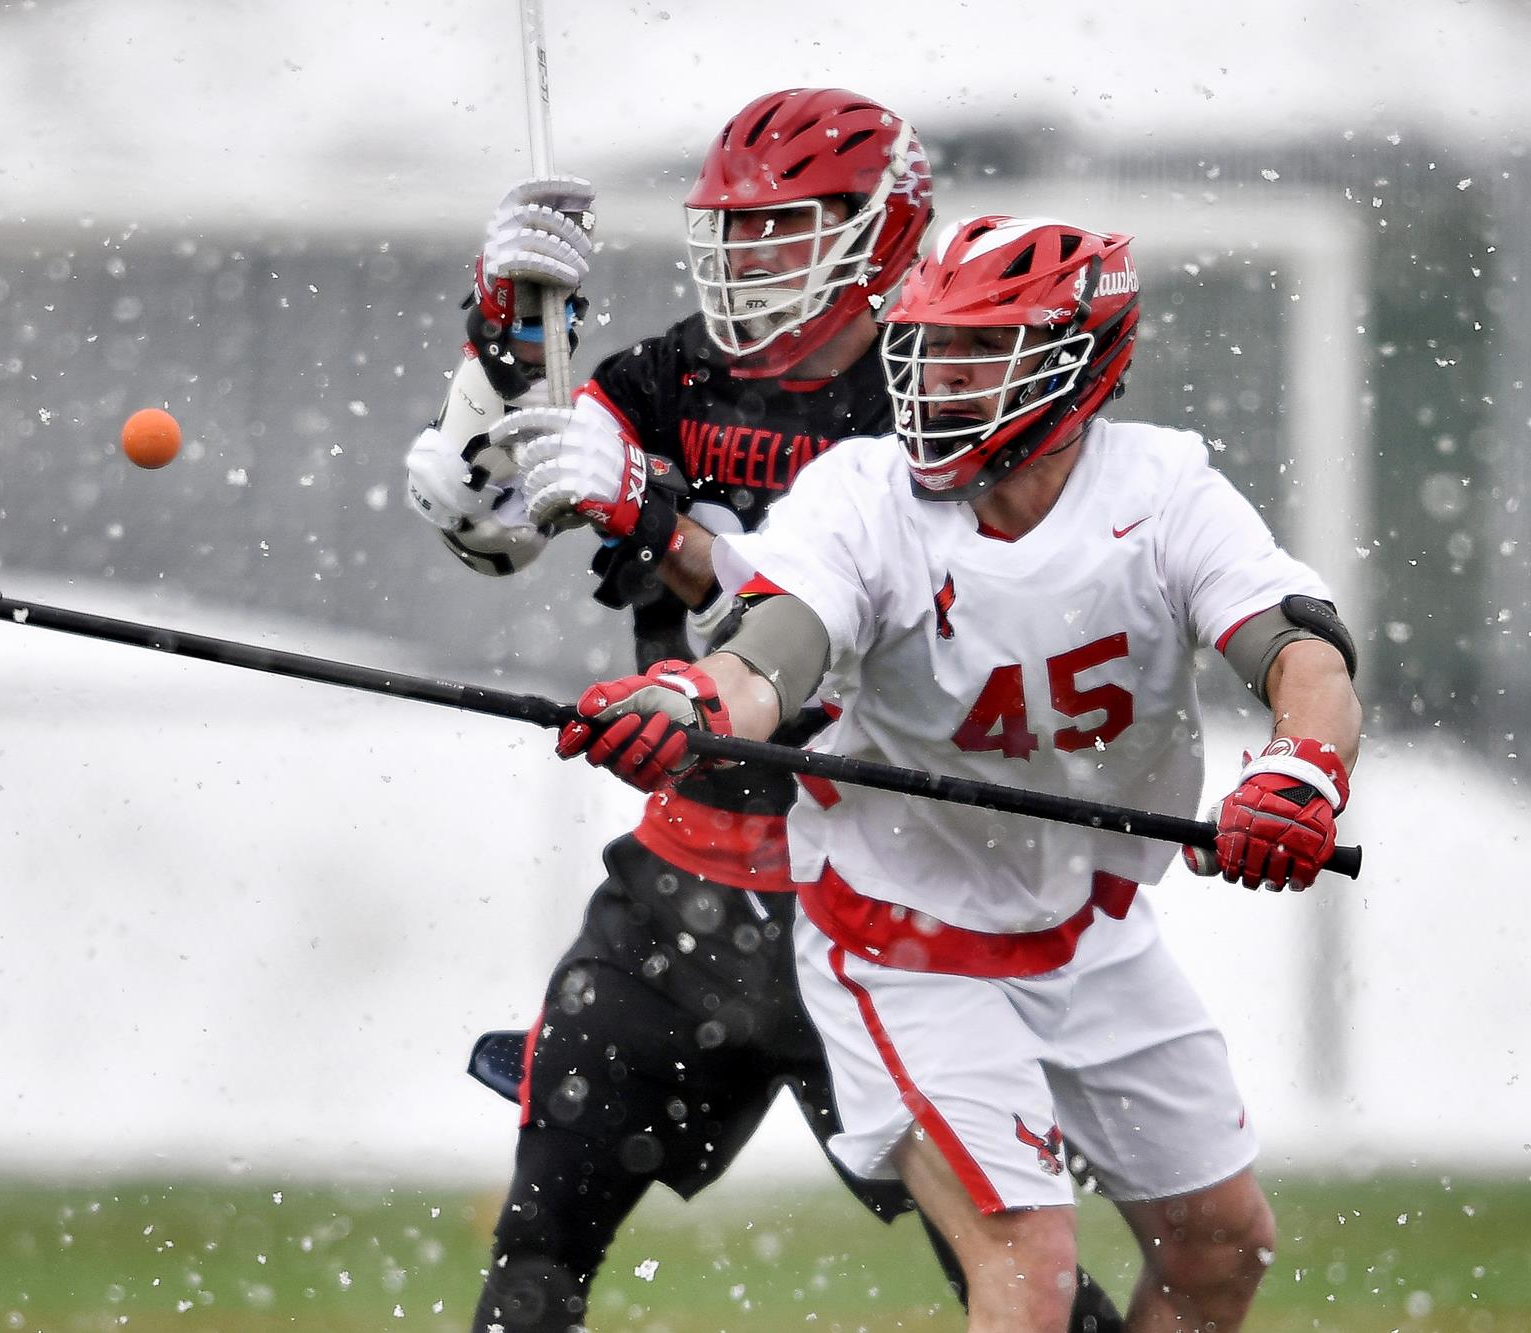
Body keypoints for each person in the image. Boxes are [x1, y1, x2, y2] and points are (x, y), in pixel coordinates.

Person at [542, 212, 1365, 1330]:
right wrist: (685, 699)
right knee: (1025, 1271)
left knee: (1221, 1251)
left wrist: (1299, 773)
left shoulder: (1164, 489)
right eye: (926, 346)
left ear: (1083, 362)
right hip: (898, 940)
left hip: (1087, 925)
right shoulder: (859, 493)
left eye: (980, 349)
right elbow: (774, 646)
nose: (936, 378)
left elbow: (1299, 648)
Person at [406, 91, 1124, 1332]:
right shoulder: (664, 376)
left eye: (786, 229)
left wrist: (666, 528)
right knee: (532, 1259)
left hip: (880, 906)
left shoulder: (943, 409)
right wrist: (506, 344)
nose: (751, 262)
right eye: (734, 232)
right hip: (678, 898)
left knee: (1015, 1277)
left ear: (882, 228)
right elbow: (482, 526)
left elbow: (871, 640)